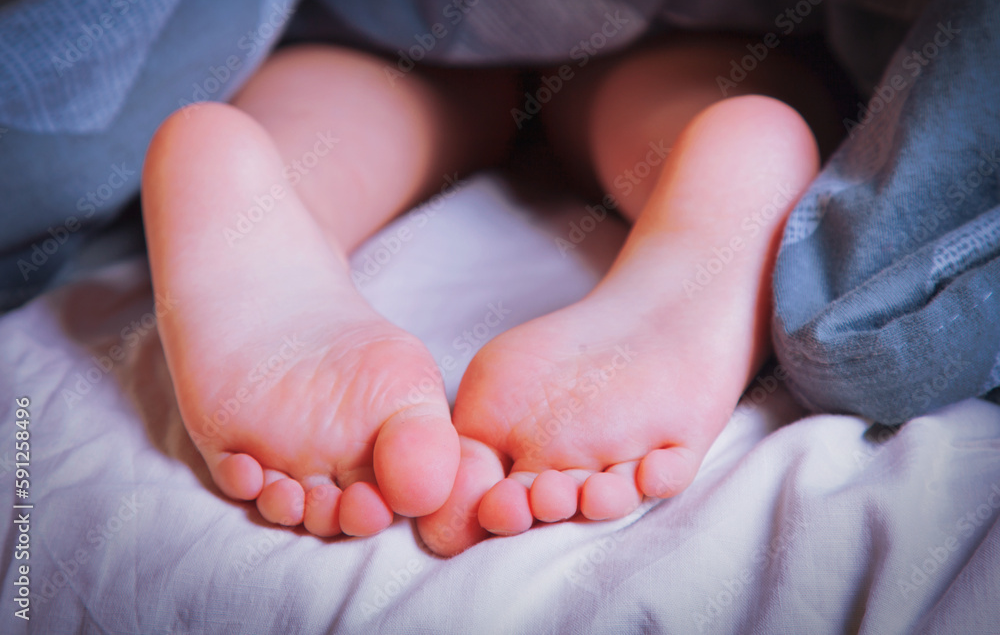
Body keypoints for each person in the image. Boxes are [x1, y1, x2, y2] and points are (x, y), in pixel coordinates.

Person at [142, 30, 837, 555]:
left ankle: (269, 190)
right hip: (659, 10)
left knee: (344, 95)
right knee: (697, 91)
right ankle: (727, 163)